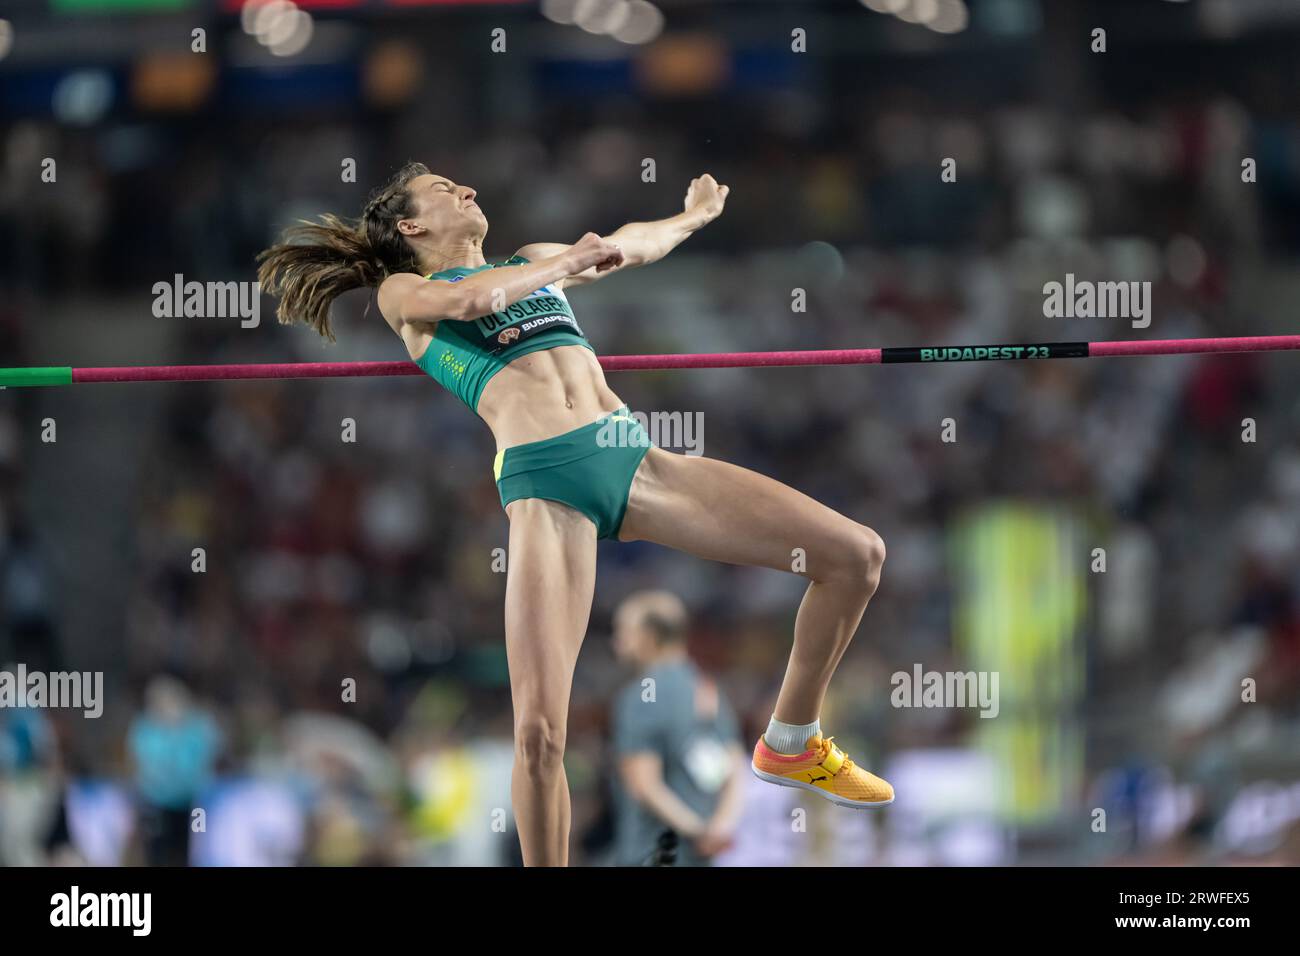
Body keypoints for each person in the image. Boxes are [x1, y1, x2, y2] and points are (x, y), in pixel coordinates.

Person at [256, 163, 894, 866]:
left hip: (634, 459)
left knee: (855, 555)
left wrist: (693, 219)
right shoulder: (406, 293)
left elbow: (630, 243)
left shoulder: (532, 263)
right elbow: (474, 301)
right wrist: (571, 259)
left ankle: (791, 741)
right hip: (546, 488)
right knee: (539, 736)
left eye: (465, 184)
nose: (468, 189)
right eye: (444, 190)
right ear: (411, 226)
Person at [609, 590, 743, 866]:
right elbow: (735, 769)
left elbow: (644, 785)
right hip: (701, 857)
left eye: (624, 631)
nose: (617, 642)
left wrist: (695, 830)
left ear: (649, 636)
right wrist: (719, 827)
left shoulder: (639, 697)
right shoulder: (708, 689)